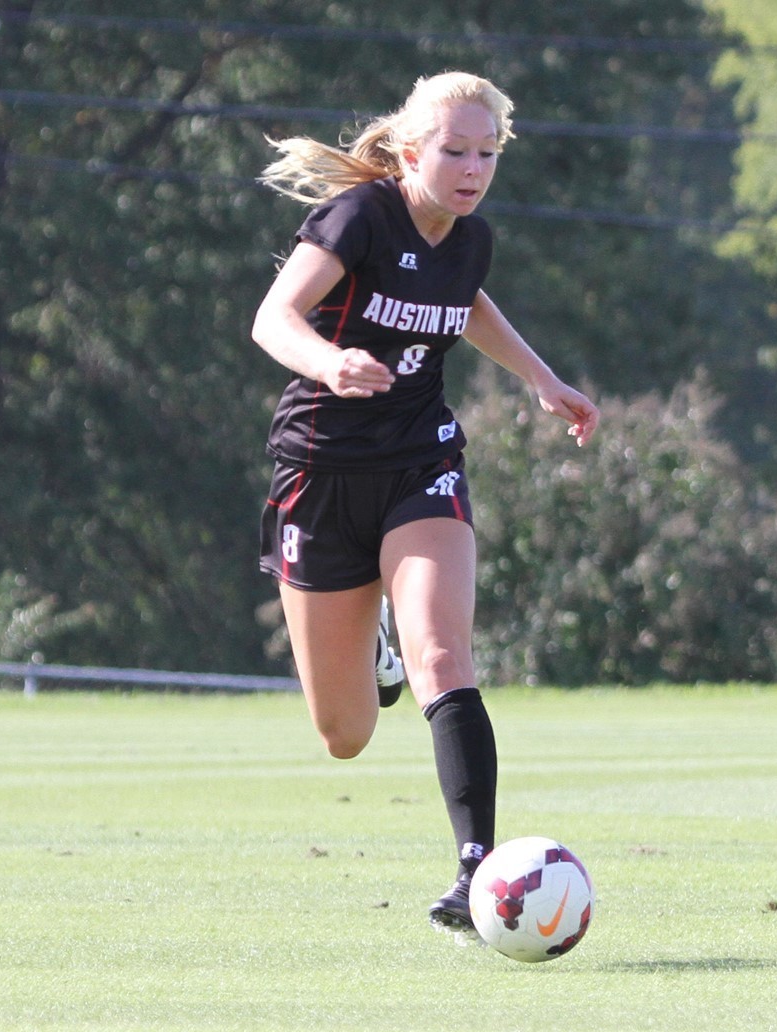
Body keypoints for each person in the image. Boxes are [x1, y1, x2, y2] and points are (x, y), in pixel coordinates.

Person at [251, 71, 599, 933]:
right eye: (454, 150)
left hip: (419, 465)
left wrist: (542, 380)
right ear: (411, 152)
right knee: (345, 736)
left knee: (444, 652)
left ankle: (475, 869)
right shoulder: (358, 218)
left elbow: (463, 301)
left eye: (488, 152)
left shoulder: (470, 238)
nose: (473, 166)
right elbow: (273, 319)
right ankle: (375, 649)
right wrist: (329, 363)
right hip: (319, 475)